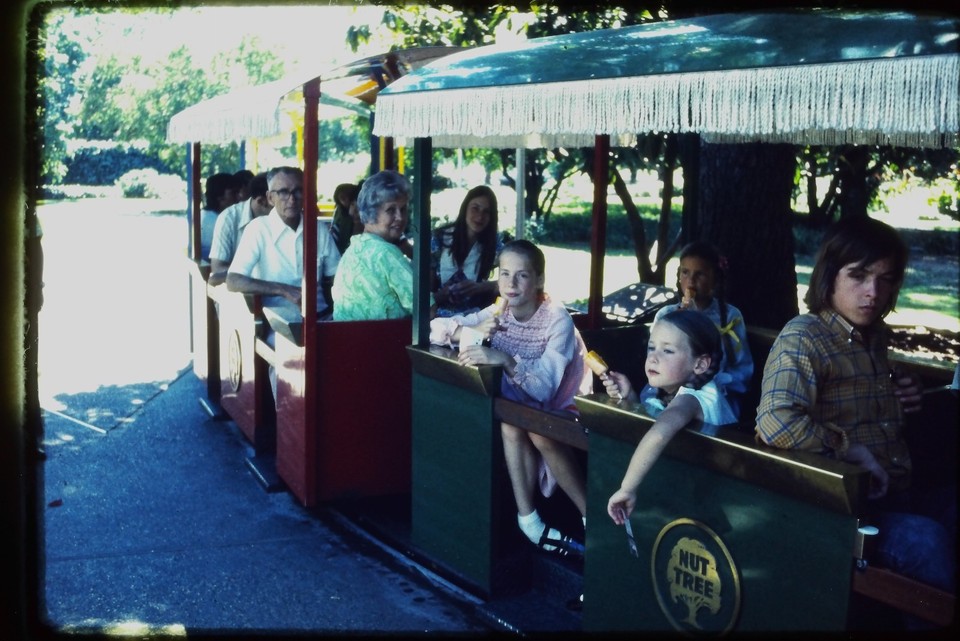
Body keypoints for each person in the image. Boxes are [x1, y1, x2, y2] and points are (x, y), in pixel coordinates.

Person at [754, 216, 955, 606]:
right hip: (845, 511)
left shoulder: (874, 337)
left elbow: (865, 398)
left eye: (885, 279)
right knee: (926, 544)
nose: (873, 292)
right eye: (859, 276)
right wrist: (848, 448)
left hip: (898, 491)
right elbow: (777, 423)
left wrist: (907, 388)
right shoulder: (804, 336)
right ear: (830, 275)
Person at [430, 239, 592, 556]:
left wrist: (504, 359)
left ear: (540, 280)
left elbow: (544, 388)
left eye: (522, 276)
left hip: (567, 410)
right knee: (512, 425)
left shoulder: (557, 318)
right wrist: (473, 330)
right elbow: (434, 328)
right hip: (523, 410)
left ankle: (590, 518)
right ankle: (528, 520)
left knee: (535, 431)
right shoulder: (498, 310)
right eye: (504, 274)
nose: (511, 284)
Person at [604, 310, 737, 524]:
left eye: (668, 350)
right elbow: (655, 418)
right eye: (651, 347)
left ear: (700, 365)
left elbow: (659, 433)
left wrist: (627, 488)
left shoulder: (691, 399)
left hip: (708, 506)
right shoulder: (670, 391)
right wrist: (630, 396)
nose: (654, 357)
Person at [654, 241, 753, 418]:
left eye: (699, 275)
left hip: (715, 397)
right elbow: (657, 357)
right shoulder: (666, 314)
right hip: (668, 392)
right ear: (678, 276)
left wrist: (715, 385)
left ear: (714, 278)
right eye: (685, 272)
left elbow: (742, 369)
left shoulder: (730, 316)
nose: (691, 281)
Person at [226, 166, 340, 315]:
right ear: (270, 198)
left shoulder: (317, 228)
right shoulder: (258, 229)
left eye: (298, 191)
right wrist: (284, 290)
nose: (292, 199)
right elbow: (233, 280)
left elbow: (335, 276)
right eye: (283, 192)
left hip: (318, 317)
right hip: (276, 323)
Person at [331, 170, 434, 320]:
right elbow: (427, 310)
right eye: (391, 210)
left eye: (403, 209)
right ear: (371, 213)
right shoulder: (385, 253)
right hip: (382, 342)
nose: (400, 217)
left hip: (349, 341)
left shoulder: (354, 249)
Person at [431, 185, 509, 316]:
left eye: (486, 212)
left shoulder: (493, 244)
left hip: (474, 319)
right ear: (465, 208)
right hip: (437, 318)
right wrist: (439, 296)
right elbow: (422, 290)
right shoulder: (439, 238)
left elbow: (512, 276)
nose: (480, 216)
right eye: (475, 208)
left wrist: (481, 287)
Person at [208, 172, 270, 286]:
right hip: (239, 297)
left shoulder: (290, 218)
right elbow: (217, 268)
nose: (288, 203)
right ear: (262, 201)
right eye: (282, 197)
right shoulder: (229, 218)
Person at [199, 172, 240, 261]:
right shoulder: (218, 221)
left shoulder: (203, 214)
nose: (238, 197)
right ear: (219, 196)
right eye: (233, 193)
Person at [330, 181, 363, 256]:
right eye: (343, 198)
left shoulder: (373, 225)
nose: (355, 209)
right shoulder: (339, 225)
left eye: (357, 203)